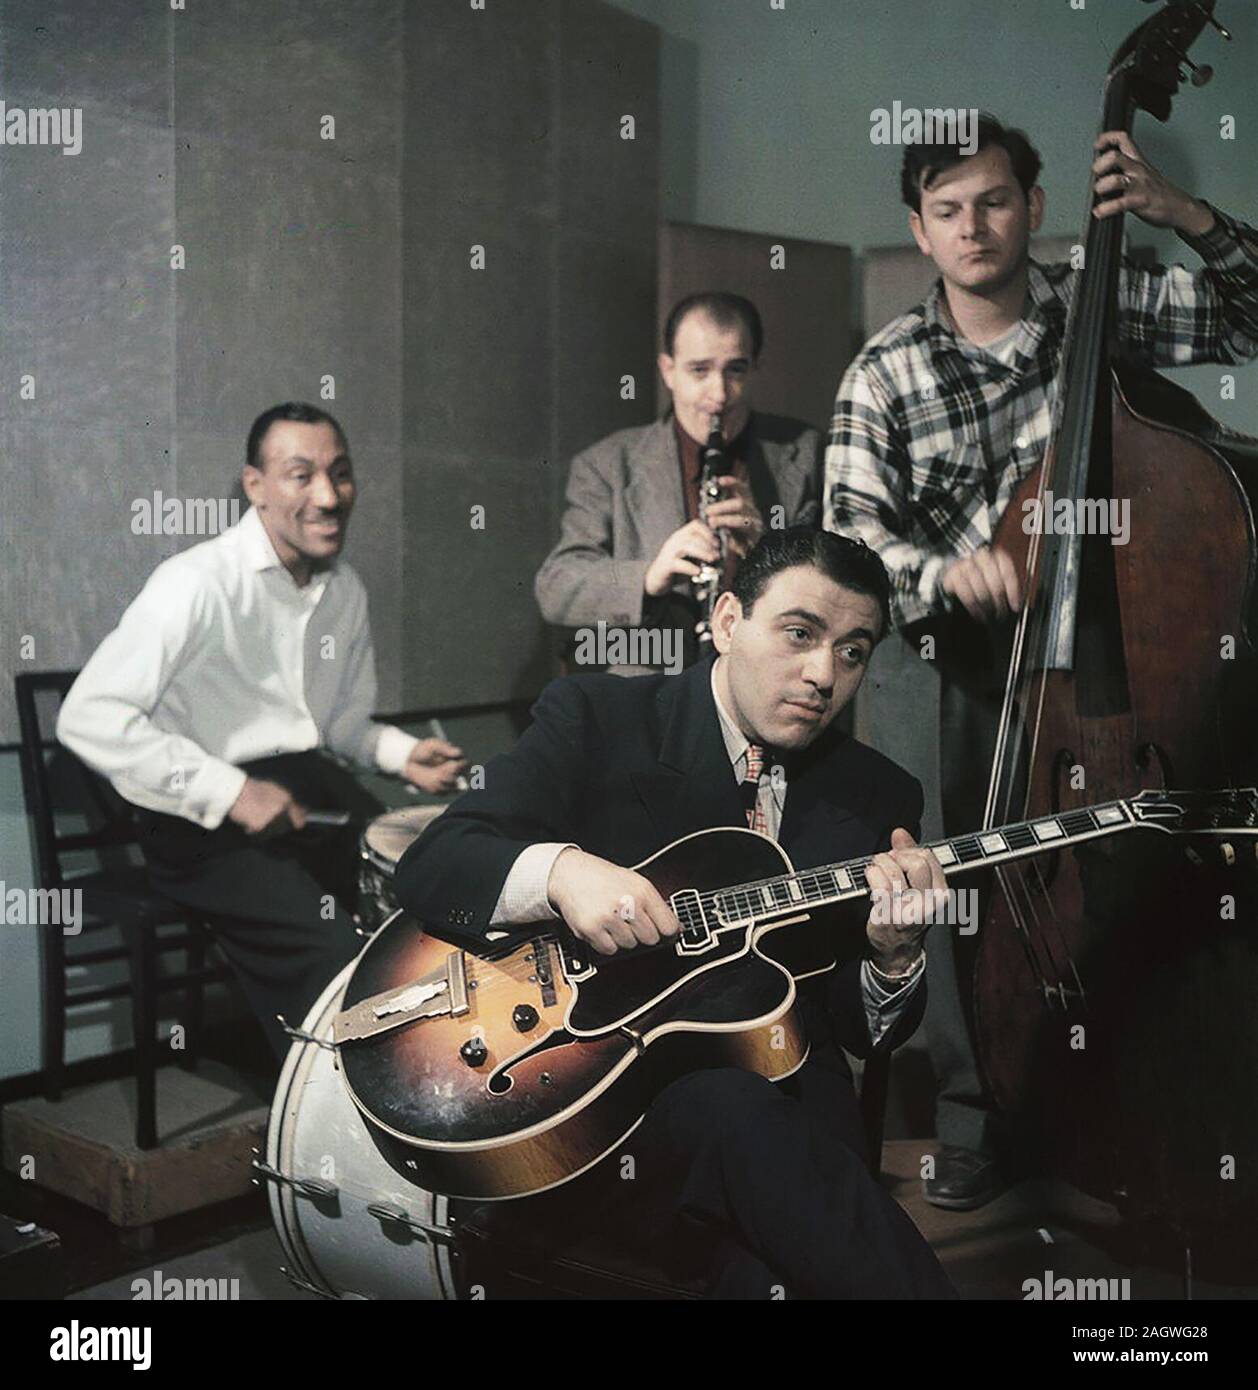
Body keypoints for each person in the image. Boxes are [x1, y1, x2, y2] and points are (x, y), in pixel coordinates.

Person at [825, 115, 1258, 1210]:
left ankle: (1110, 1099)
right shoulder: (883, 371)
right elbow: (846, 534)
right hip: (957, 659)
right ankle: (975, 1115)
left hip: (1099, 649)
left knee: (1126, 861)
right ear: (917, 230)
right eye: (948, 208)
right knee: (954, 870)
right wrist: (943, 574)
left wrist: (1184, 216)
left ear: (1035, 206)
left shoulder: (1096, 305)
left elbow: (1251, 317)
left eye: (995, 200)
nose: (974, 227)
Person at [397, 528, 956, 1298]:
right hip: (604, 1112)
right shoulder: (599, 716)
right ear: (728, 621)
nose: (825, 674)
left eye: (854, 651)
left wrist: (894, 959)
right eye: (800, 633)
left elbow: (861, 1032)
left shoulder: (878, 796)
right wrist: (565, 873)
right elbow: (434, 861)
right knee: (733, 1118)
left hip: (790, 1121)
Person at [57, 402, 467, 1060]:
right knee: (334, 965)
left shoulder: (345, 589)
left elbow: (335, 724)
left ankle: (438, 1091)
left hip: (308, 793)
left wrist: (401, 753)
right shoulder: (195, 582)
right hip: (197, 824)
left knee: (421, 907)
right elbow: (88, 715)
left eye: (341, 474)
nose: (329, 497)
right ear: (255, 487)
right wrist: (231, 791)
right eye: (300, 476)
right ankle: (336, 1131)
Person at [534, 292, 822, 671]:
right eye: (699, 371)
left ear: (755, 368)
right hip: (649, 692)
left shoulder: (803, 452)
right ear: (668, 371)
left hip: (761, 685)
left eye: (735, 370)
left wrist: (766, 545)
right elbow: (556, 585)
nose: (718, 395)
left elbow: (829, 588)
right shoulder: (606, 463)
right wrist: (650, 576)